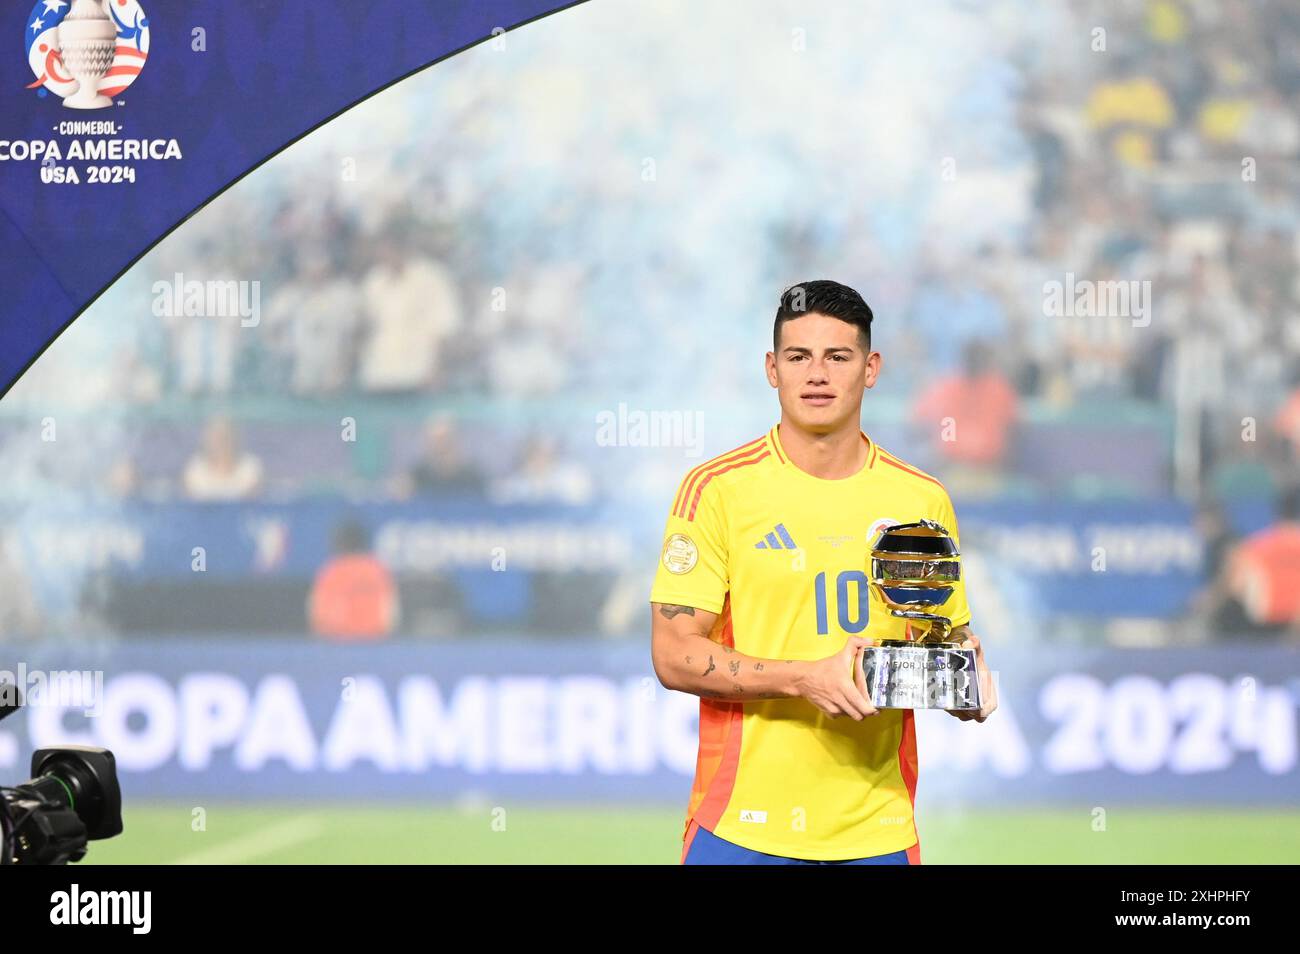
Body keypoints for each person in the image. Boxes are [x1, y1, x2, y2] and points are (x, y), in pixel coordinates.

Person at [649, 280, 997, 866]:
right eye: (798, 357)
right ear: (772, 369)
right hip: (741, 827)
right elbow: (672, 654)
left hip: (877, 831)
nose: (817, 374)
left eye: (838, 357)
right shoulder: (716, 491)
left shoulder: (922, 499)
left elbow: (943, 637)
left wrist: (965, 677)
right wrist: (804, 677)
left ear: (871, 368)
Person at [308, 521, 399, 641]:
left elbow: (318, 614)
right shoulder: (377, 570)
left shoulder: (332, 571)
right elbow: (391, 614)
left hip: (340, 644)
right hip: (375, 643)